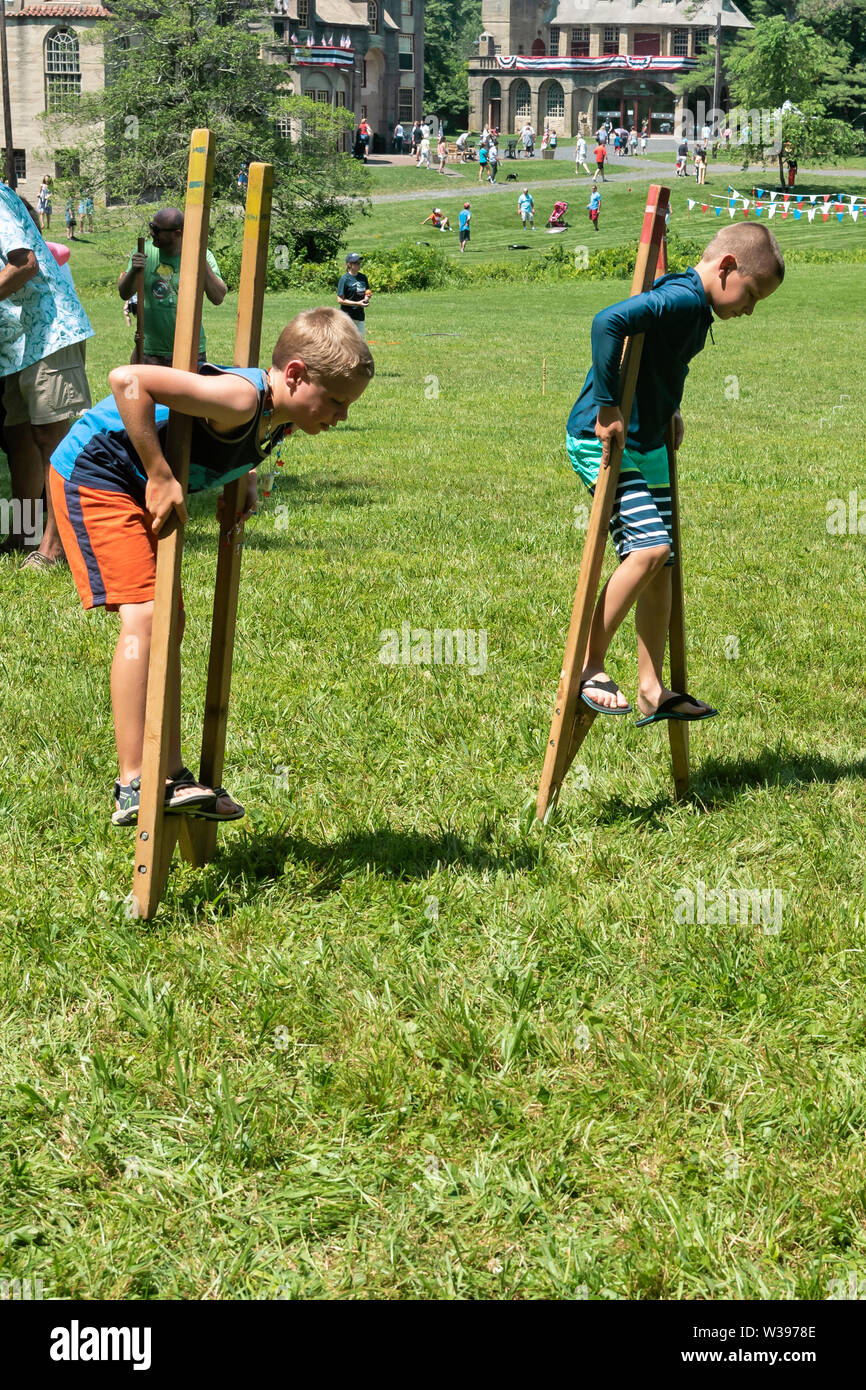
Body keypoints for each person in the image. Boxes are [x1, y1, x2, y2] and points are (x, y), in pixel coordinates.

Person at [49, 308, 374, 827]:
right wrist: (158, 473)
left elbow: (235, 441)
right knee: (147, 618)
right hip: (98, 475)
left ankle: (171, 773)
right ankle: (134, 781)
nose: (341, 415)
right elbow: (128, 380)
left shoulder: (277, 413)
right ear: (294, 374)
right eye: (335, 401)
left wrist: (242, 474)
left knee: (168, 622)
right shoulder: (243, 397)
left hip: (129, 483)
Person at [564, 223, 784, 723]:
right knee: (650, 550)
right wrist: (604, 408)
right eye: (750, 295)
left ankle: (650, 689)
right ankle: (586, 664)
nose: (749, 309)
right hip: (605, 437)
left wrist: (670, 408)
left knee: (663, 567)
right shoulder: (684, 299)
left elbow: (663, 362)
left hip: (649, 437)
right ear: (727, 267)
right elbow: (607, 323)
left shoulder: (694, 306)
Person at [0, 184, 93, 565]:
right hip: (15, 346)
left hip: (49, 333)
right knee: (19, 438)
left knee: (49, 437)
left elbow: (24, 264)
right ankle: (23, 534)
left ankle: (53, 547)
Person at [117, 208, 227, 368]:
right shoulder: (144, 251)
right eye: (151, 226)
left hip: (191, 349)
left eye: (156, 230)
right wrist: (134, 270)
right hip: (150, 352)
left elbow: (218, 297)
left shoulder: (203, 256)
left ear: (177, 233)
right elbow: (124, 293)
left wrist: (200, 258)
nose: (151, 233)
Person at [336, 251, 371, 336]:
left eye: (359, 262)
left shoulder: (363, 277)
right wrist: (357, 303)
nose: (359, 264)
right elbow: (340, 300)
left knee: (359, 342)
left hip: (359, 315)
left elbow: (367, 292)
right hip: (347, 316)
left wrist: (367, 298)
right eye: (356, 263)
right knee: (348, 342)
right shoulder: (344, 279)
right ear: (349, 265)